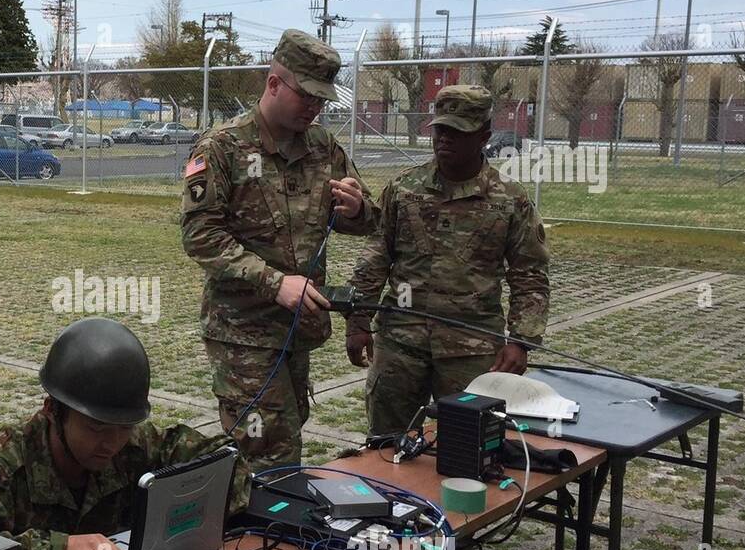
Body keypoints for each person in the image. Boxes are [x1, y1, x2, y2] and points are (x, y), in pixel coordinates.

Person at [181, 29, 377, 472]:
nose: (315, 107)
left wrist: (357, 207)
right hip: (243, 331)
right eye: (306, 96)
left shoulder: (323, 148)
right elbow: (200, 236)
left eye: (322, 100)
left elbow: (370, 220)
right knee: (266, 449)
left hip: (298, 329)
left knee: (288, 431)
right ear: (273, 84)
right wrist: (274, 283)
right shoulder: (222, 148)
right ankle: (253, 534)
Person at [0, 318, 250, 550]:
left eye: (124, 427)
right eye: (96, 428)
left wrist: (176, 520)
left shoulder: (134, 443)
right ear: (53, 410)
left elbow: (227, 464)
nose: (112, 443)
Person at [345, 84, 550, 438]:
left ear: (484, 135)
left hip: (470, 349)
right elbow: (377, 255)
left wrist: (521, 341)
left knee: (468, 448)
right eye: (440, 129)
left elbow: (529, 274)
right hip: (400, 344)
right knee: (385, 446)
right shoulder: (404, 189)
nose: (444, 139)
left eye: (457, 132)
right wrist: (358, 318)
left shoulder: (509, 200)